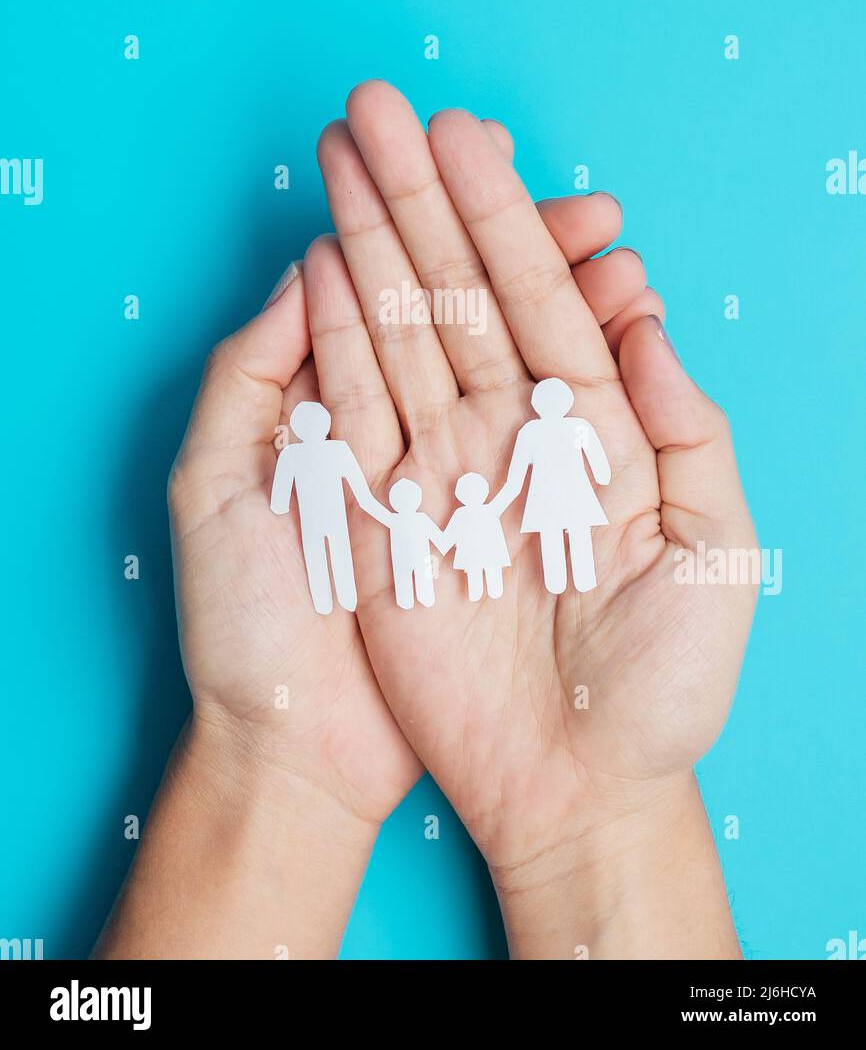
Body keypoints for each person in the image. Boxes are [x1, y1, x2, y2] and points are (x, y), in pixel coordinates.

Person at [95, 82, 757, 961]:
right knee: (368, 567)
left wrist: (605, 815)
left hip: (509, 528)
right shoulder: (350, 464)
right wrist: (276, 750)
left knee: (533, 553)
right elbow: (360, 491)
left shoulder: (478, 462)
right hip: (425, 541)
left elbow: (504, 475)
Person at [492, 378, 611, 594]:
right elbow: (601, 469)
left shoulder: (530, 431)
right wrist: (602, 476)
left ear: (536, 404)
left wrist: (495, 508)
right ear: (567, 401)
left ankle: (558, 583)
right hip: (575, 494)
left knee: (552, 538)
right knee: (577, 533)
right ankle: (581, 580)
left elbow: (514, 481)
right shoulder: (578, 426)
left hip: (544, 498)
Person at [270, 400, 389, 615]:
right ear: (326, 424)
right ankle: (344, 599)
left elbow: (279, 503)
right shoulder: (337, 450)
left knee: (317, 556)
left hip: (313, 520)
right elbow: (362, 493)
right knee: (338, 552)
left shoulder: (291, 454)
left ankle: (327, 603)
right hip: (333, 519)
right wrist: (385, 516)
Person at [442, 472, 510, 601]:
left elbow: (448, 537)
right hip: (483, 553)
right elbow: (508, 493)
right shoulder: (490, 509)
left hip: (479, 553)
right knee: (483, 574)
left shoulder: (463, 513)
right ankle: (484, 592)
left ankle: (483, 592)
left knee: (483, 574)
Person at [381, 477, 445, 609]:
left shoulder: (395, 519)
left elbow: (438, 538)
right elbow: (440, 538)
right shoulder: (400, 519)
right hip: (410, 559)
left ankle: (415, 599)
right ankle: (413, 600)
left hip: (415, 559)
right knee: (411, 584)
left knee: (415, 584)